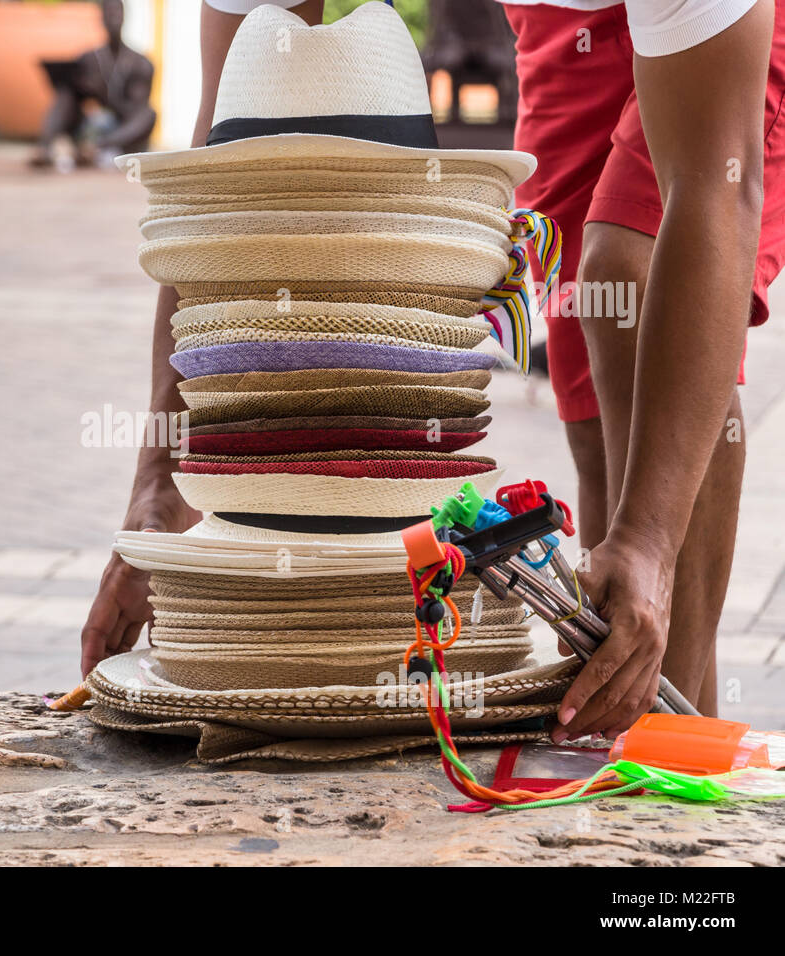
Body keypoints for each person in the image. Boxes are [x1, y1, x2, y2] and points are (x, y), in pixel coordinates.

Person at [79, 0, 780, 743]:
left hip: (728, 28)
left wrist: (651, 543)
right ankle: (639, 710)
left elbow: (716, 184)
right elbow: (223, 186)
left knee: (622, 280)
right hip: (558, 21)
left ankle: (682, 756)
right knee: (585, 349)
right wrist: (160, 483)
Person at [30, 0, 157, 170]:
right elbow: (71, 100)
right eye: (109, 13)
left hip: (121, 131)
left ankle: (96, 148)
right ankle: (45, 148)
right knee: (65, 94)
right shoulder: (87, 59)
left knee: (148, 115)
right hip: (91, 125)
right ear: (101, 18)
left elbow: (135, 110)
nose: (114, 18)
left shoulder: (140, 63)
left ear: (125, 17)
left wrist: (101, 93)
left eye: (117, 12)